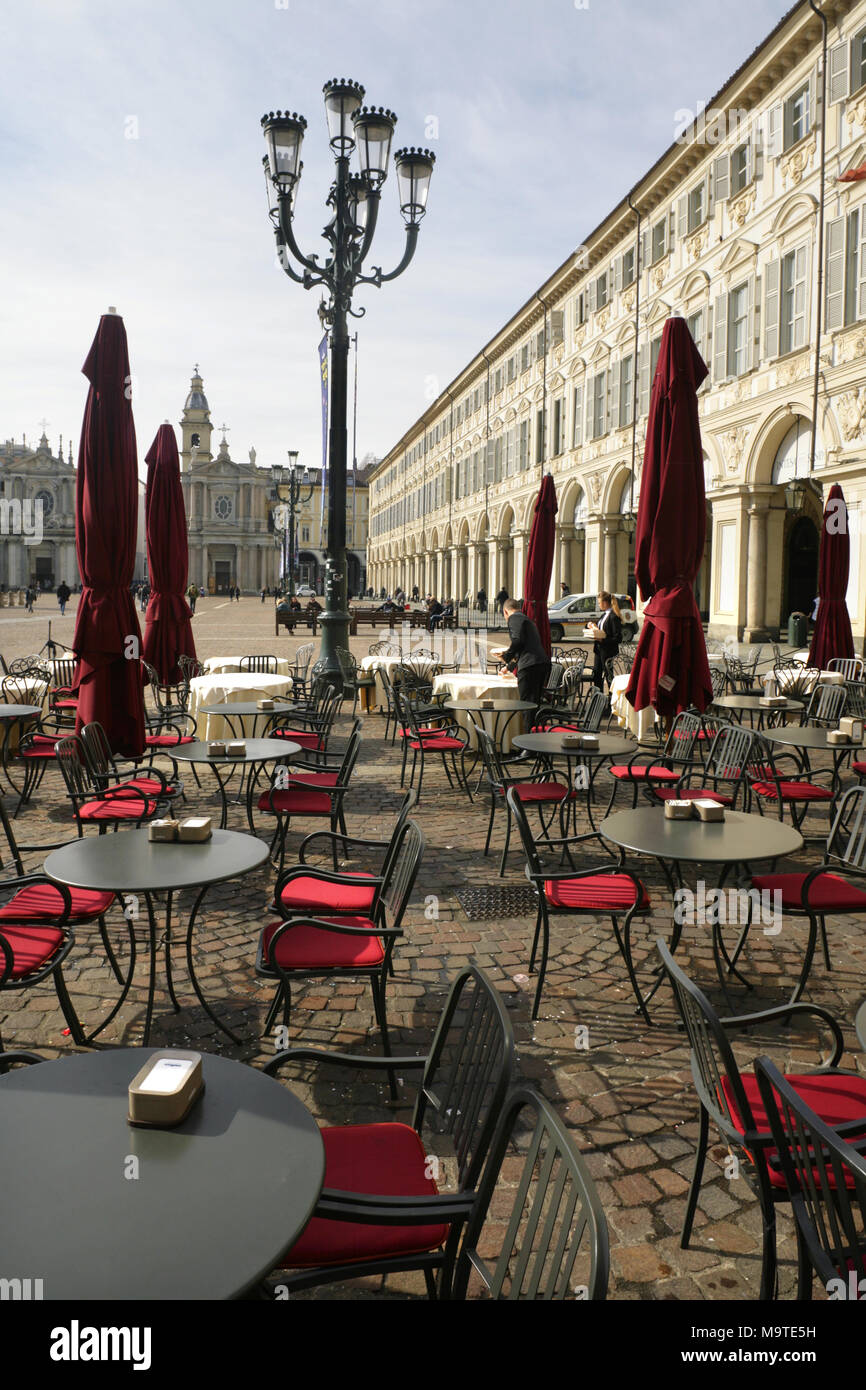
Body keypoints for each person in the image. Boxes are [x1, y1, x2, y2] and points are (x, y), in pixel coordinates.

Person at [497, 598, 551, 704]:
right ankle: (533, 721)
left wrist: (506, 656)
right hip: (540, 663)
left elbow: (517, 641)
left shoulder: (514, 618)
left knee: (526, 705)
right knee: (534, 703)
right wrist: (509, 667)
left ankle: (528, 721)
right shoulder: (525, 619)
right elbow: (523, 646)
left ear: (505, 611)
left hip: (529, 666)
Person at [587, 592, 622, 693]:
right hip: (598, 650)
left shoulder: (613, 617)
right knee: (597, 675)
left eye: (599, 603)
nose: (598, 605)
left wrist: (603, 640)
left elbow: (618, 638)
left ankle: (611, 699)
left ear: (606, 602)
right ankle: (598, 697)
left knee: (609, 676)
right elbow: (601, 630)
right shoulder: (604, 615)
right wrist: (592, 626)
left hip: (608, 651)